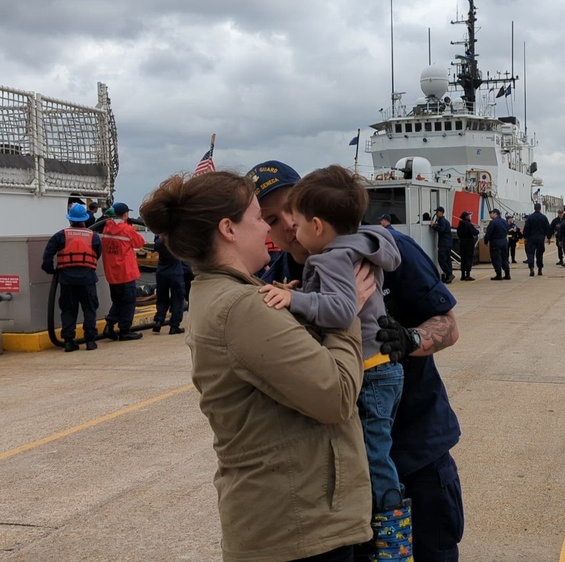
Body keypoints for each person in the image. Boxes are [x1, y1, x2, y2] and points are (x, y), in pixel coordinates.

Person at [139, 171, 374, 561]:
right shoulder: (241, 307)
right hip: (296, 527)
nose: (269, 226)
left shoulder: (225, 293)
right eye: (257, 216)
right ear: (228, 229)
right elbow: (335, 396)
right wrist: (348, 314)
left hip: (285, 518)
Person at [249, 160, 465, 561]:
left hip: (413, 452)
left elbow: (449, 325)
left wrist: (410, 339)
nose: (286, 228)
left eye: (289, 212)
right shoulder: (279, 281)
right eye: (270, 219)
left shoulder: (385, 251)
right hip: (337, 475)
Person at [257, 165, 410, 559]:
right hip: (383, 372)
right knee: (373, 452)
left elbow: (342, 310)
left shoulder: (330, 258)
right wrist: (298, 290)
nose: (291, 227)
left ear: (319, 226)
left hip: (371, 372)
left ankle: (394, 539)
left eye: (298, 220)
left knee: (374, 456)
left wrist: (295, 300)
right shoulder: (360, 245)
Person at [42, 203, 102, 352]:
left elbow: (47, 256)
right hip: (87, 278)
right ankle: (90, 341)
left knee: (68, 309)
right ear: (85, 219)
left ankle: (68, 341)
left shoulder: (61, 235)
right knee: (89, 309)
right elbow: (97, 254)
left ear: (70, 220)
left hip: (66, 279)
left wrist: (51, 270)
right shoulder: (93, 236)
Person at [95, 202, 146, 341]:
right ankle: (125, 330)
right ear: (125, 214)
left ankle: (109, 326)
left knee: (117, 301)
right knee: (129, 302)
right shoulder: (127, 229)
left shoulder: (107, 228)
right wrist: (129, 226)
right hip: (126, 272)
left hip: (112, 273)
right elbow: (139, 242)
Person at [151, 235, 186, 335]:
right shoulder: (176, 242)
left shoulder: (158, 243)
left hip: (161, 273)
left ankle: (159, 321)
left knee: (162, 298)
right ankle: (174, 325)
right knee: (178, 299)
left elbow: (155, 245)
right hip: (176, 273)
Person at [521, 202, 552, 277]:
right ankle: (540, 269)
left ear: (534, 208)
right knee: (539, 254)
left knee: (530, 253)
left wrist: (525, 237)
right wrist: (548, 237)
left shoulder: (530, 218)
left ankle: (531, 267)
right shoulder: (543, 217)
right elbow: (547, 228)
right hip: (540, 239)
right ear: (540, 208)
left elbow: (526, 228)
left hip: (531, 238)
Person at [484, 208, 511, 281]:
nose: (490, 215)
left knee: (496, 258)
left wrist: (486, 241)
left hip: (495, 242)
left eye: (491, 213)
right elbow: (508, 229)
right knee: (504, 258)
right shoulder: (504, 222)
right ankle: (507, 273)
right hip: (504, 241)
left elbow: (488, 233)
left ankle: (498, 274)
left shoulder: (493, 222)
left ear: (495, 213)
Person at [430, 205, 454, 284]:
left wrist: (433, 226)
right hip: (448, 243)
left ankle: (448, 273)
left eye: (437, 212)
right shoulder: (445, 221)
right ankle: (449, 275)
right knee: (447, 259)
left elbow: (441, 229)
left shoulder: (442, 221)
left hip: (444, 243)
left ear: (441, 212)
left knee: (441, 259)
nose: (436, 214)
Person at [456, 210, 479, 281]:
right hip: (469, 243)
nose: (470, 217)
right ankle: (468, 275)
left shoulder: (460, 225)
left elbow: (458, 234)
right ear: (466, 217)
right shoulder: (469, 225)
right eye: (469, 216)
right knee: (469, 258)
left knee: (463, 259)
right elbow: (475, 233)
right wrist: (475, 229)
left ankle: (462, 275)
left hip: (462, 243)